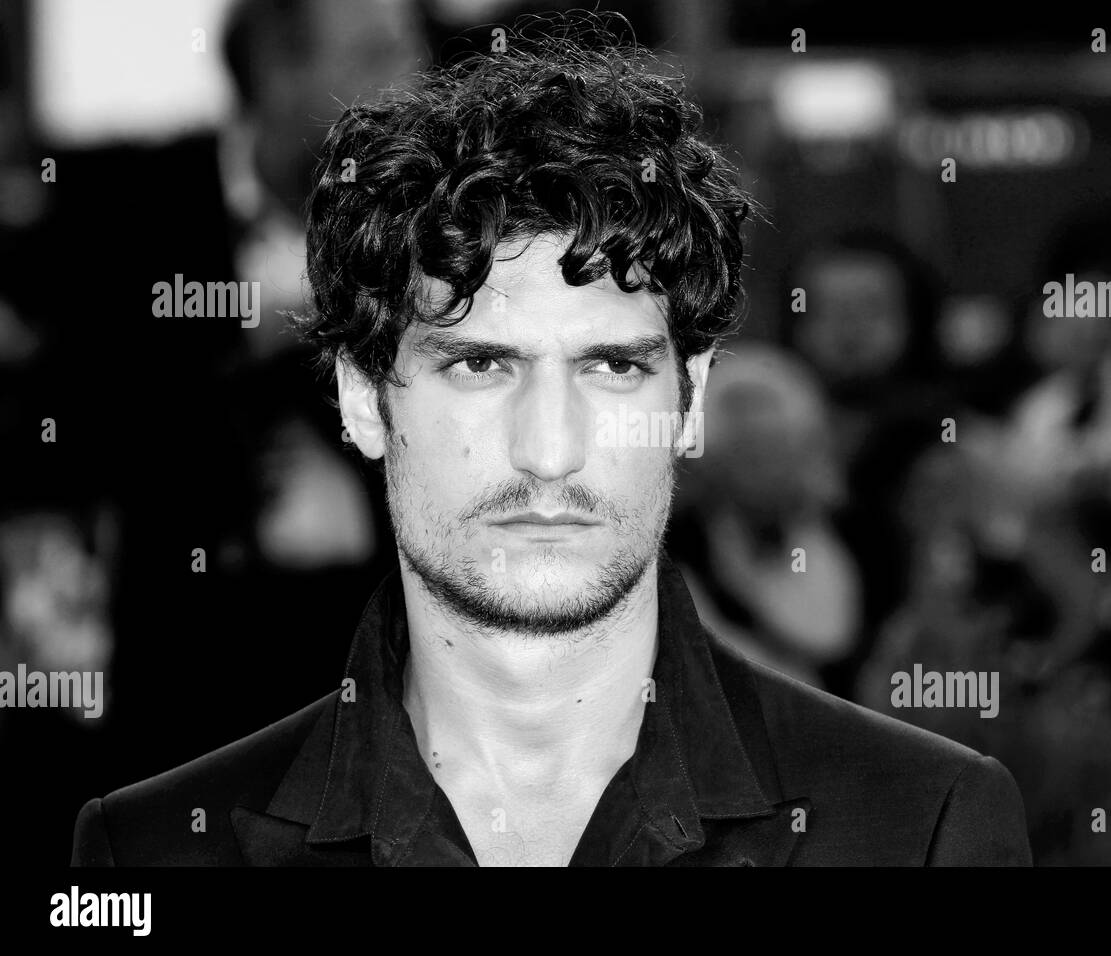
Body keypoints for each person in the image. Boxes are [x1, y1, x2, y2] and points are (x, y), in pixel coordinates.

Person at [71, 16, 1031, 867]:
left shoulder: (921, 827)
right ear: (365, 400)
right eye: (480, 367)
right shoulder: (150, 851)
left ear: (690, 401)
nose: (549, 448)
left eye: (612, 368)